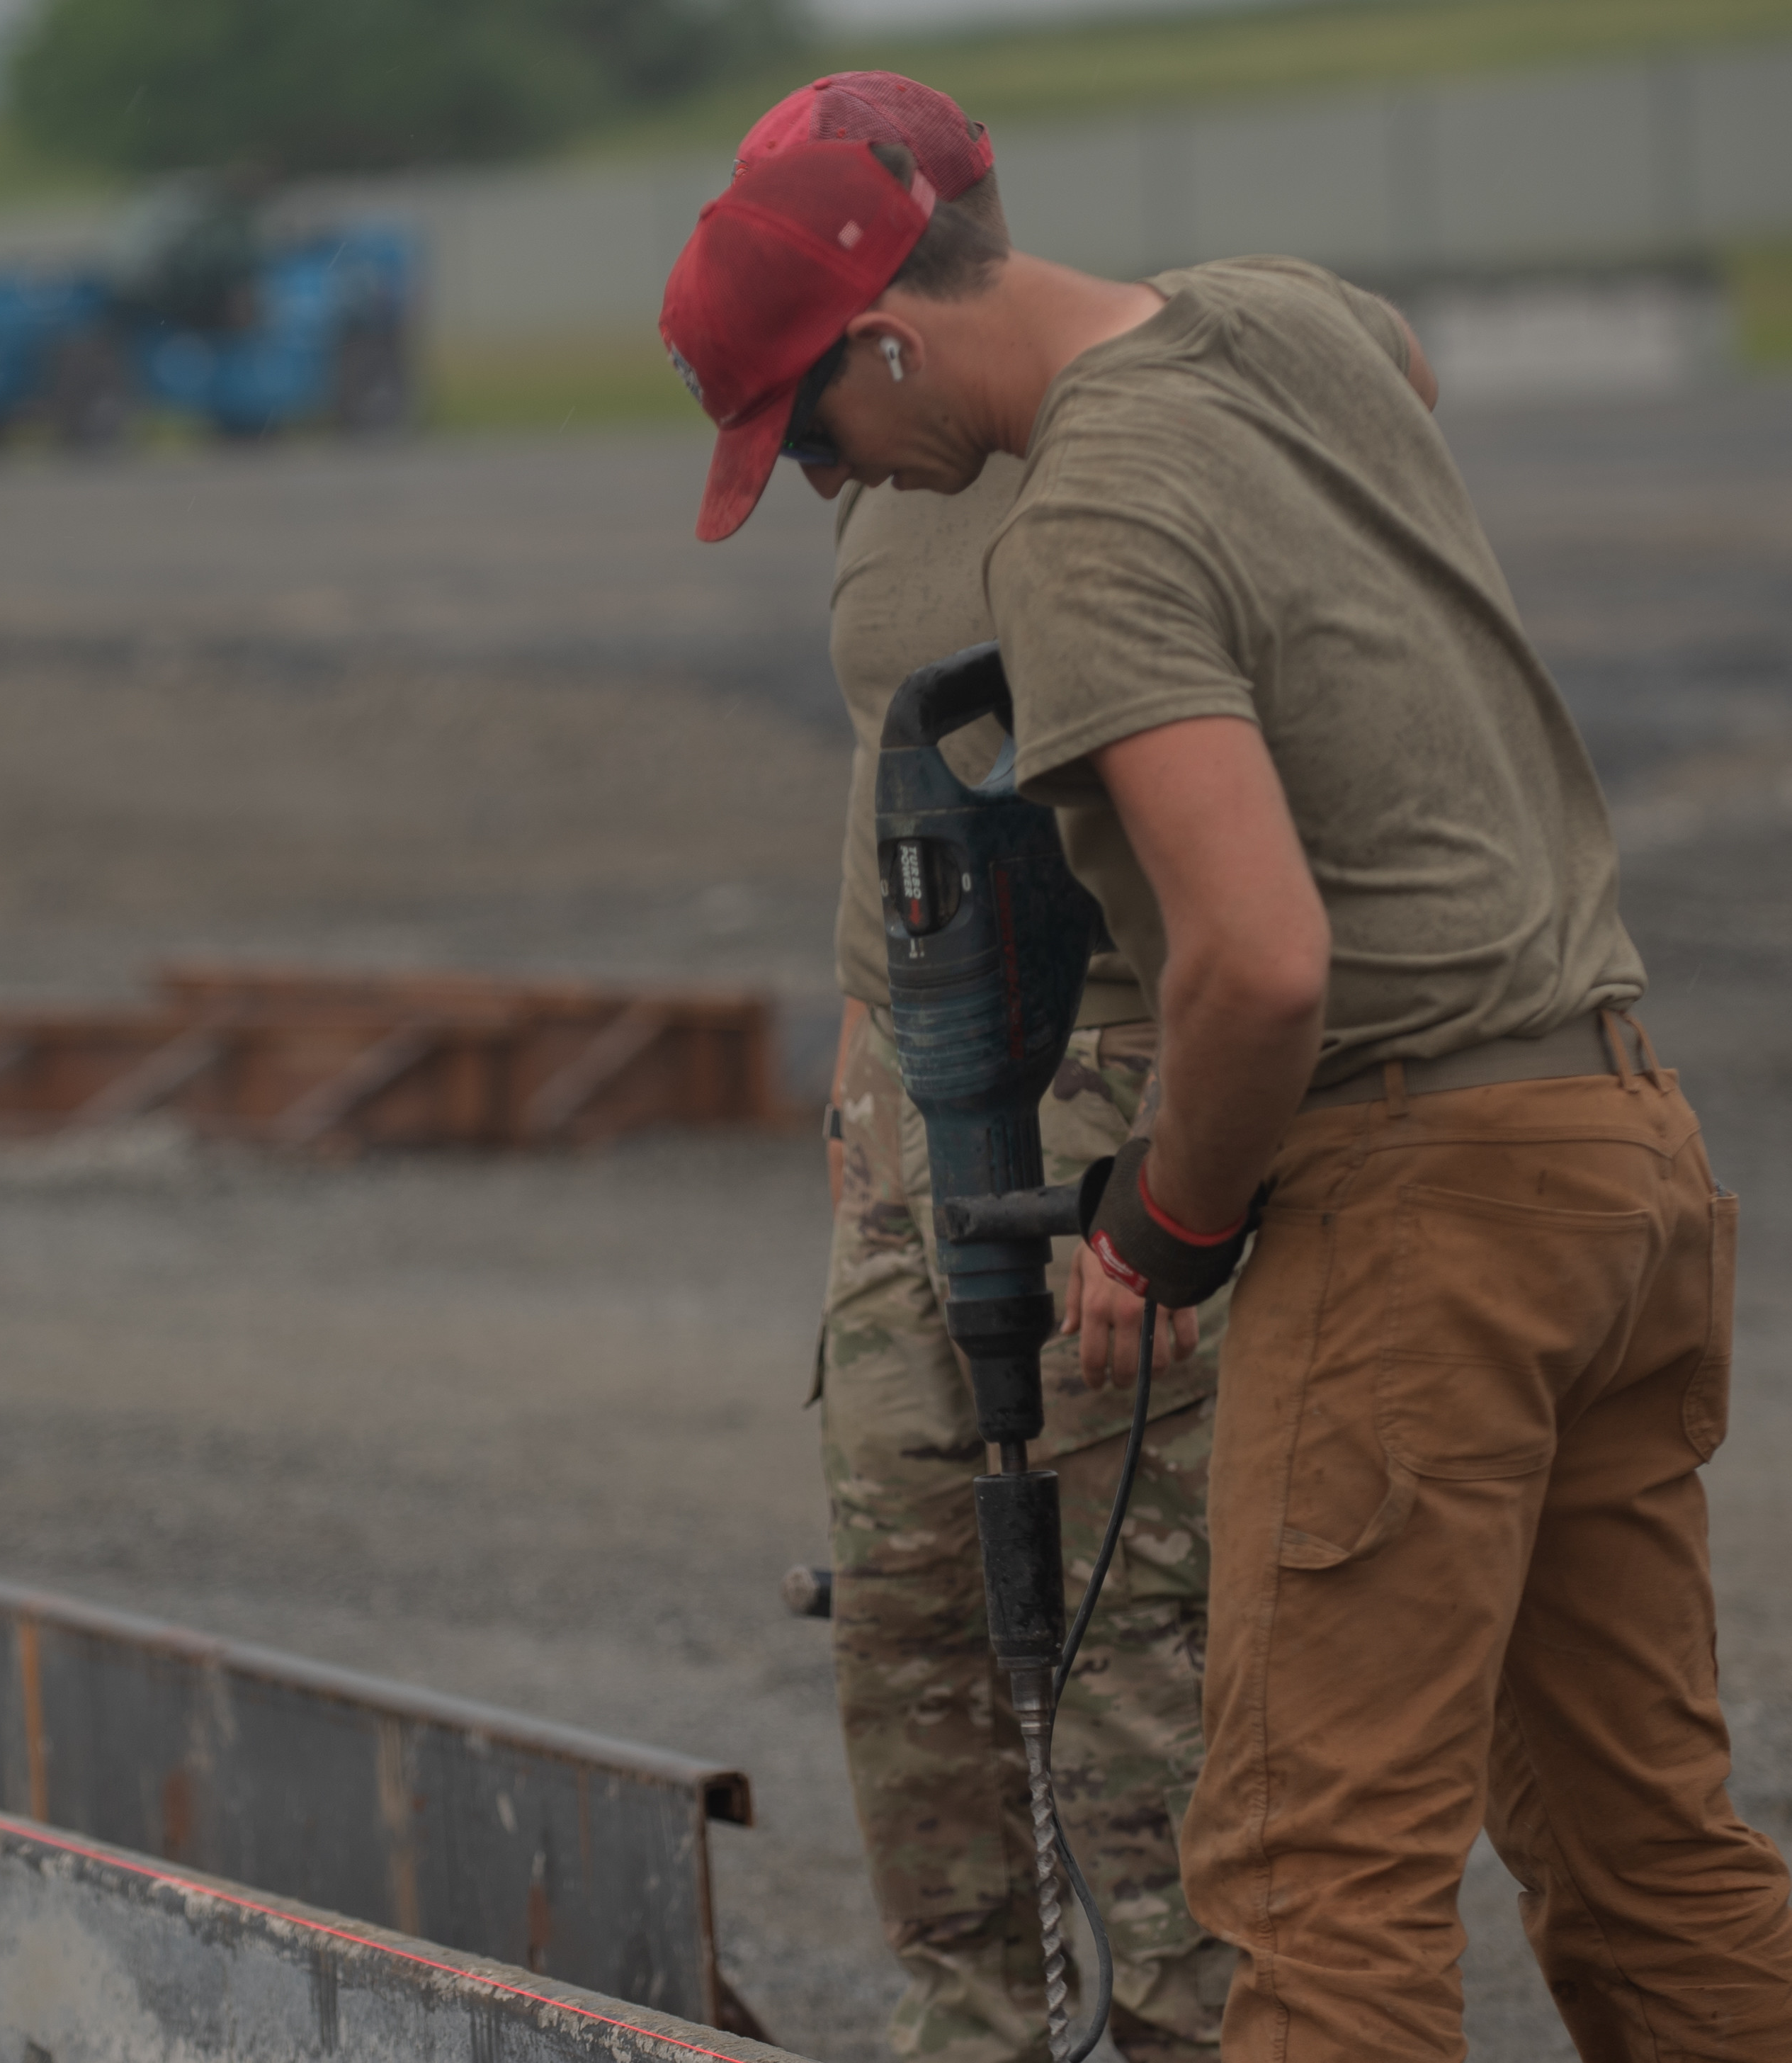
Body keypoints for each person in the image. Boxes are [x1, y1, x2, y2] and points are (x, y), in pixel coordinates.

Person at [660, 129, 1792, 2062]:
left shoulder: (1084, 523)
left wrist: (1166, 1220)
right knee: (1641, 1851)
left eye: (812, 434)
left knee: (1305, 1887)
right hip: (1613, 1135)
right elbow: (1394, 355)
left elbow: (1258, 960)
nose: (825, 483)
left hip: (1418, 1189)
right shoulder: (1277, 330)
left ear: (890, 339)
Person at [735, 73, 1232, 2063]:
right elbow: (903, 768)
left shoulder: (1146, 378)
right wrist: (862, 1070)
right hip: (917, 1091)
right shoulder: (892, 460)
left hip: (1115, 1063)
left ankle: (1200, 2027)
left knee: (1128, 1636)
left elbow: (1388, 373)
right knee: (921, 1619)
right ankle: (980, 2025)